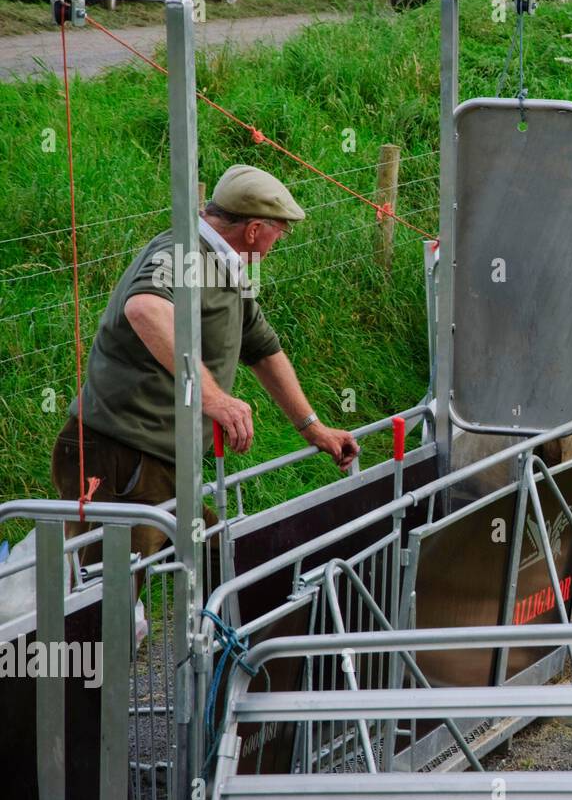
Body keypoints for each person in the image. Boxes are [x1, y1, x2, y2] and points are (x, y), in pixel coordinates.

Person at [52, 164, 360, 569]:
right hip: (121, 455)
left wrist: (312, 428)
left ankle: (224, 631)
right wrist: (213, 397)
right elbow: (144, 308)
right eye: (279, 230)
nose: (278, 241)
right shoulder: (182, 252)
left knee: (223, 564)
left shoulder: (226, 267)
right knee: (108, 599)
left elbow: (264, 350)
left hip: (168, 460)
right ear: (253, 229)